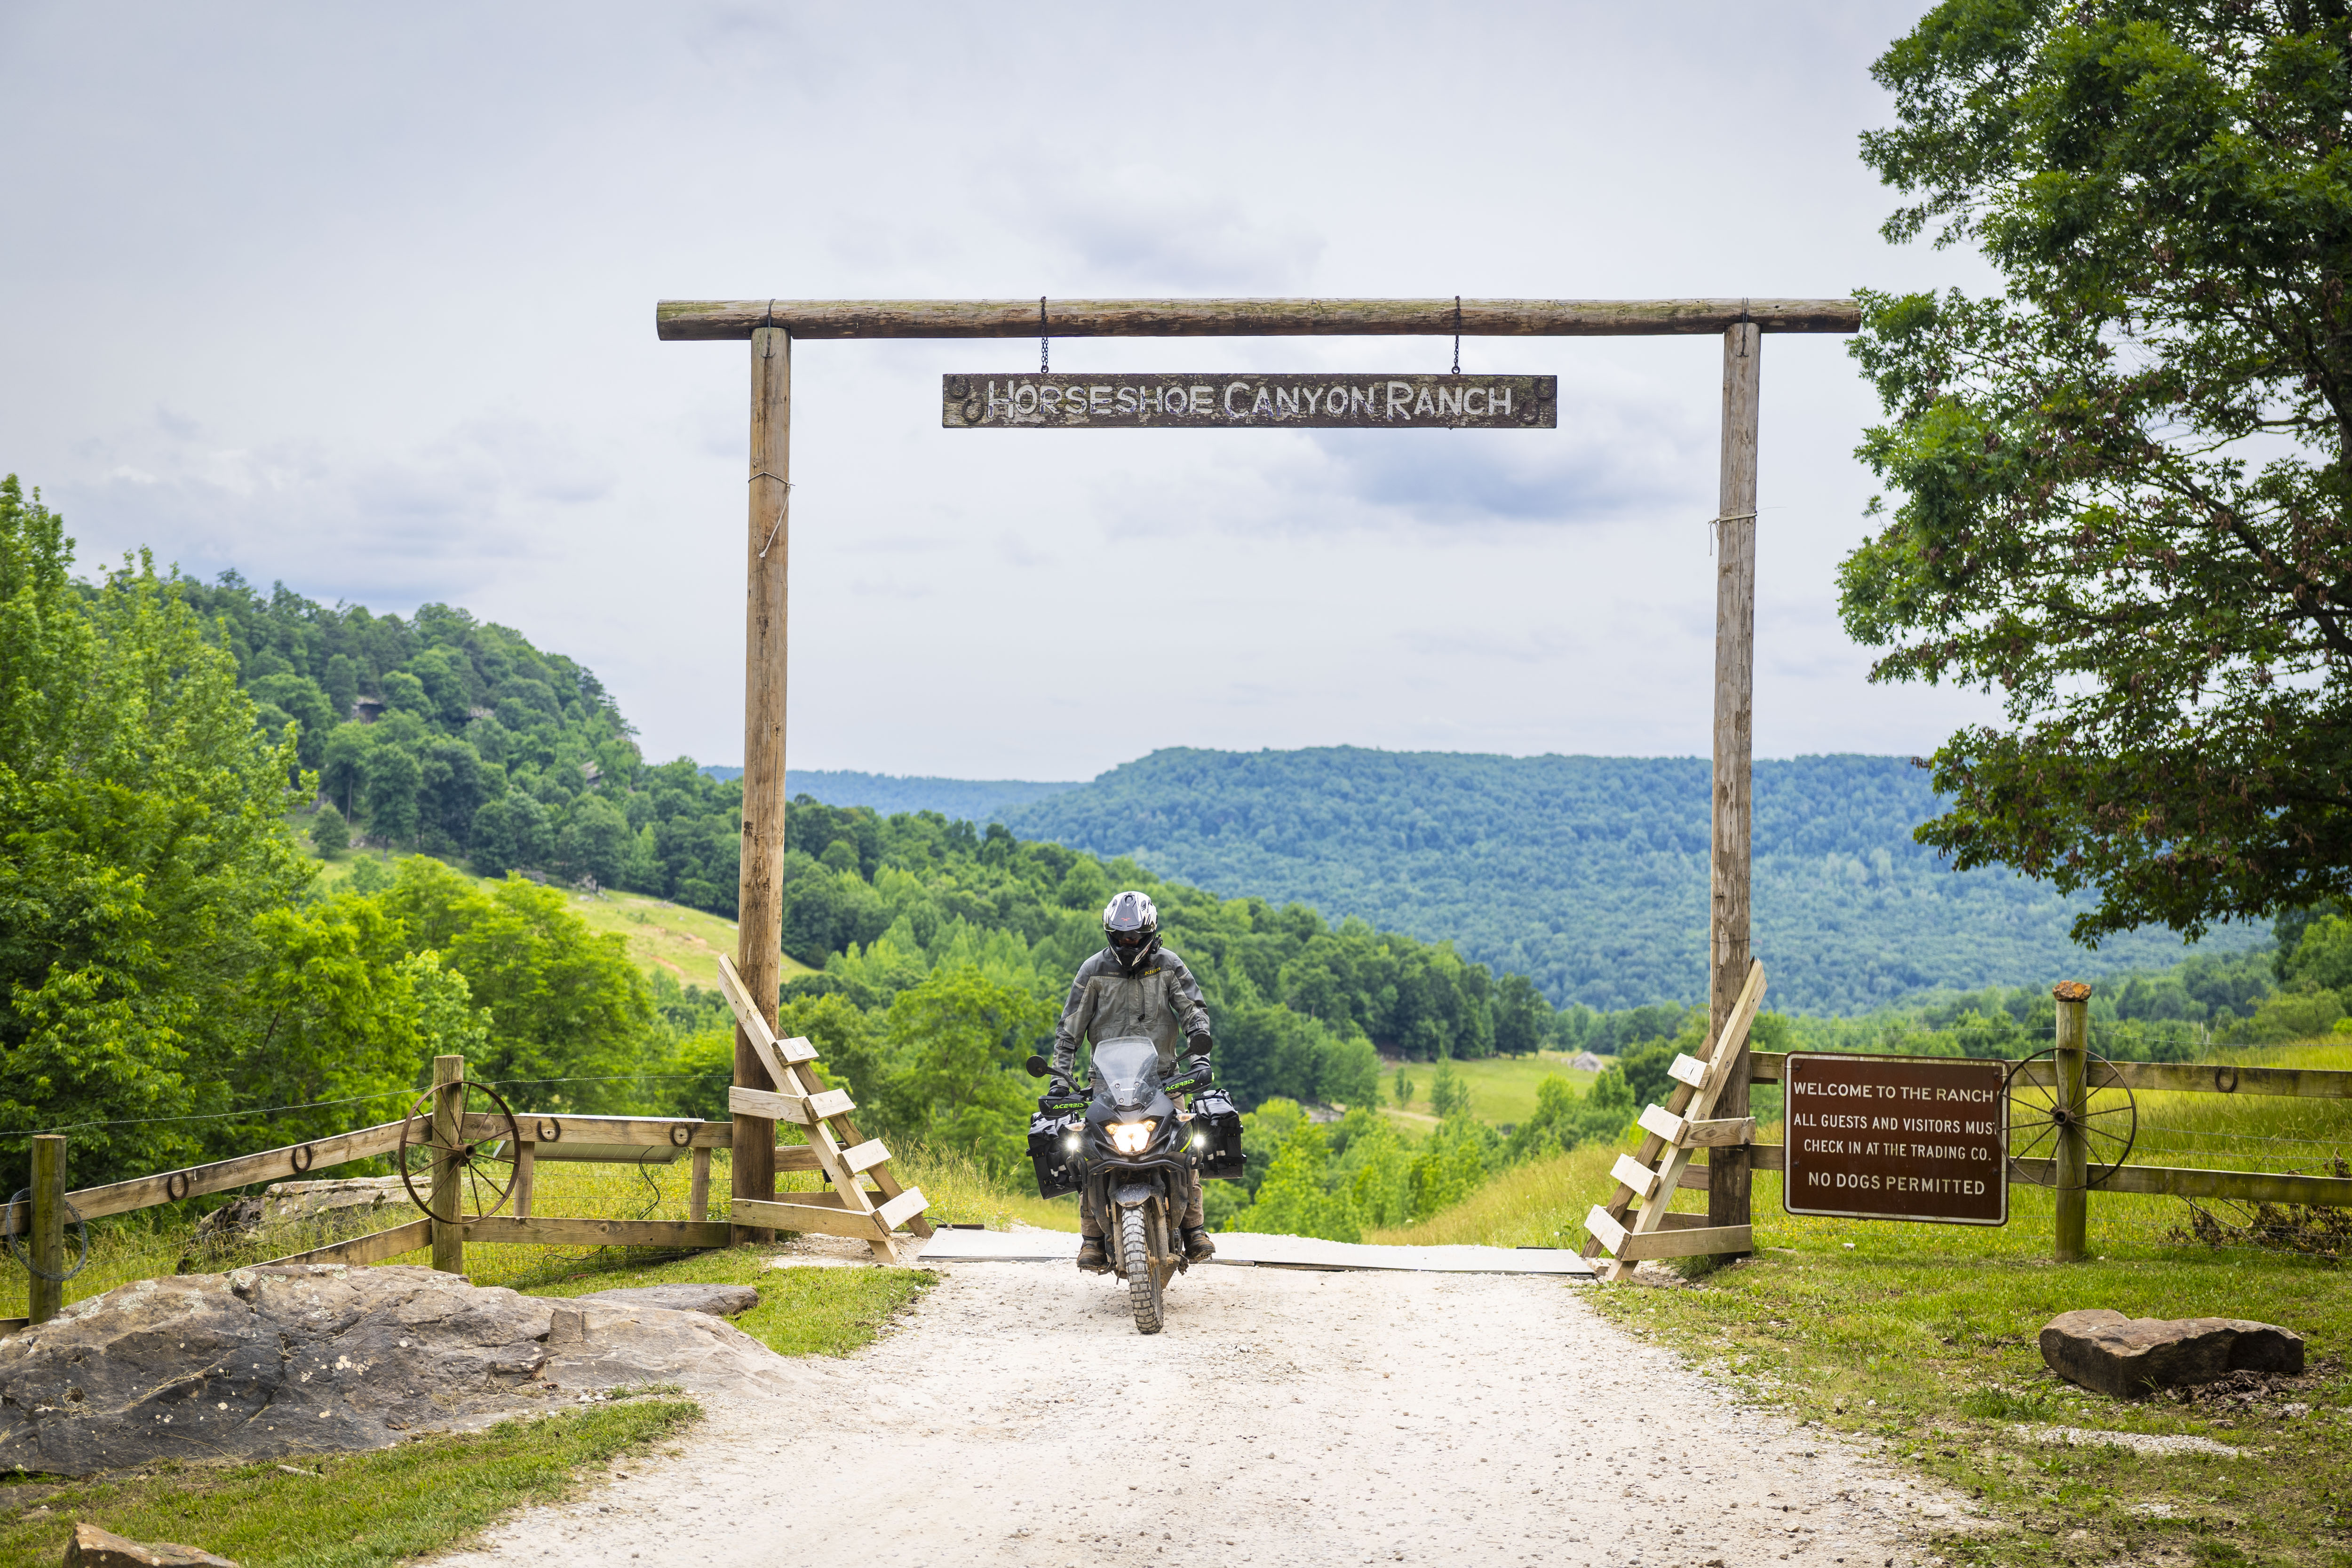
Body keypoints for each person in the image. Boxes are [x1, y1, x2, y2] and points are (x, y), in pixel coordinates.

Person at [1052, 889, 1216, 1271]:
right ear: (1110, 933)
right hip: (1106, 1084)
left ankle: (1194, 1228)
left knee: (1186, 1145)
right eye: (1121, 936)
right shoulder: (1093, 970)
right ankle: (1091, 1237)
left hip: (1163, 1080)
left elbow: (1195, 1013)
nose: (1128, 943)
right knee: (1085, 1151)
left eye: (1135, 936)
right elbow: (1069, 1030)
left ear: (1149, 933)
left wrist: (1202, 1057)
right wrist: (1060, 1079)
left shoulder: (1169, 966)